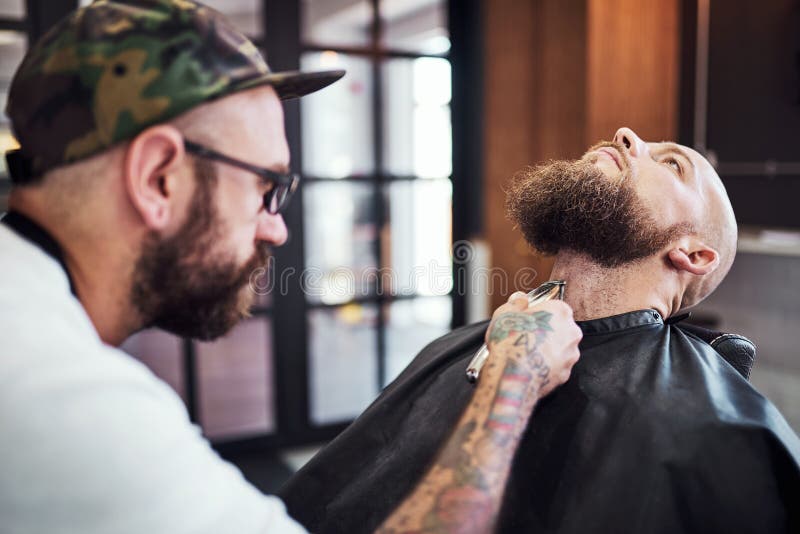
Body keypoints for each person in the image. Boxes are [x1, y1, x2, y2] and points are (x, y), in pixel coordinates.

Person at [0, 1, 584, 533]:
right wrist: (516, 375)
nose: (276, 227)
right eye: (266, 187)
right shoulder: (66, 405)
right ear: (159, 178)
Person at [280, 128, 800, 533]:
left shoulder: (725, 434)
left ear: (692, 254)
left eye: (670, 163)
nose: (624, 135)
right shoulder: (460, 347)